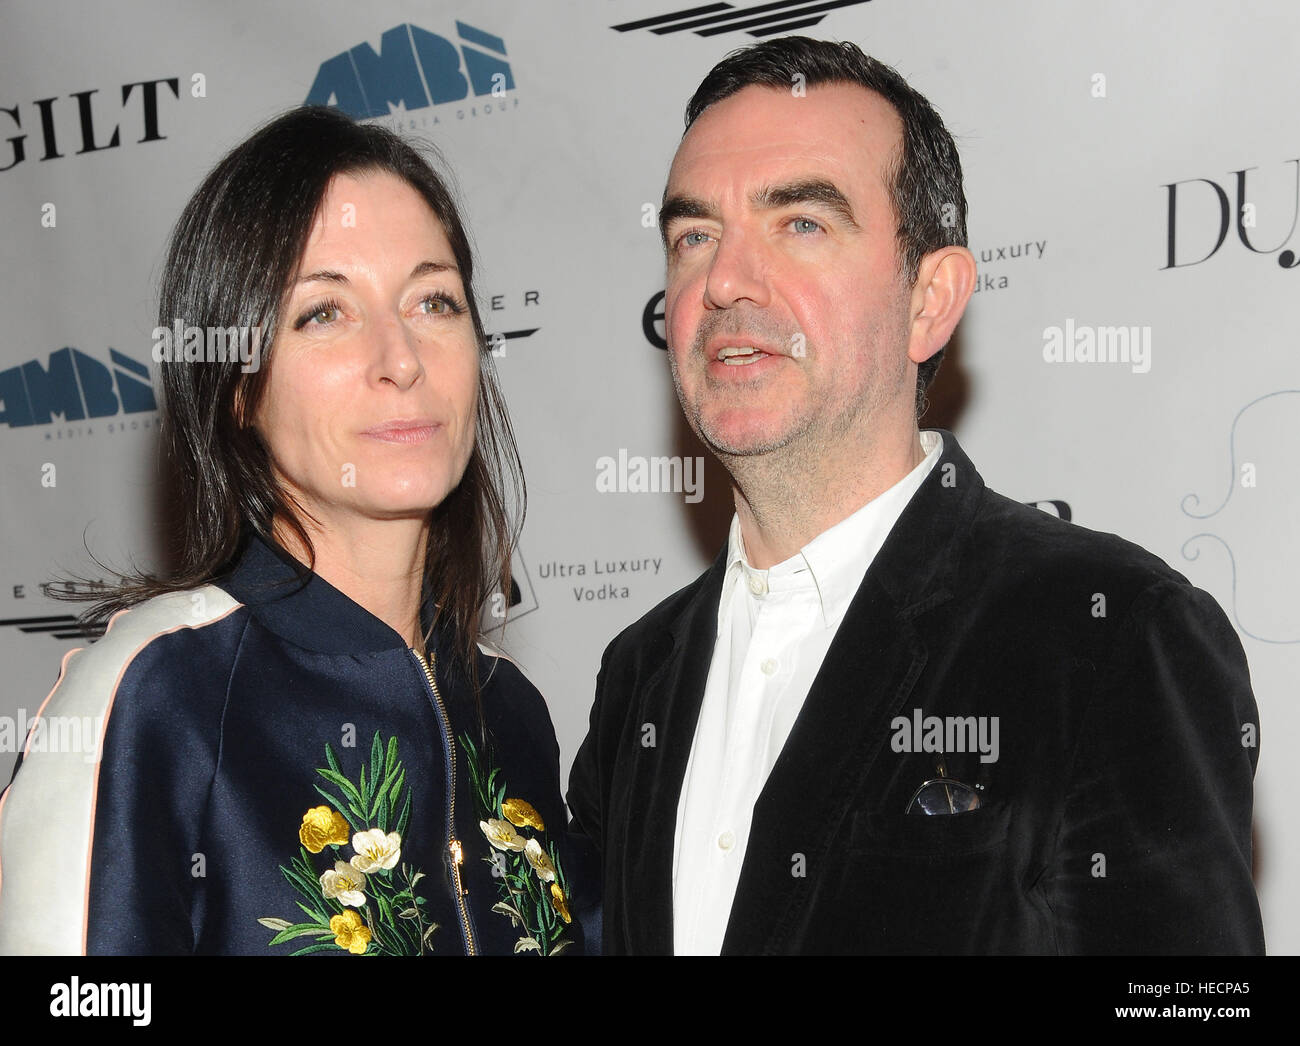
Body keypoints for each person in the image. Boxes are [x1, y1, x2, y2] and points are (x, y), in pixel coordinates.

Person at [566, 37, 1264, 955]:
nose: (725, 281)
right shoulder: (638, 677)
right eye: (695, 235)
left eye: (801, 223)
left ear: (930, 299)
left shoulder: (1107, 638)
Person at [0, 106, 590, 956]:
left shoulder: (512, 714)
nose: (400, 358)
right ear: (237, 387)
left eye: (433, 300)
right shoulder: (155, 695)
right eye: (323, 313)